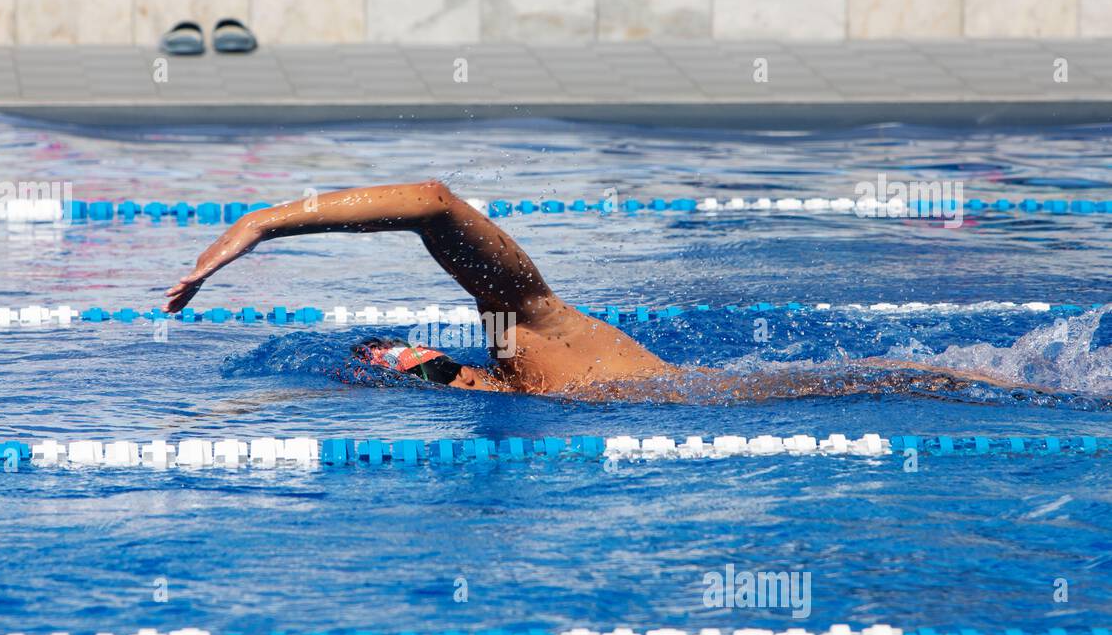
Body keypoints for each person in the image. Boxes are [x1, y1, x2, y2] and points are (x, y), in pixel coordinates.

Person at [164, 181, 1030, 401]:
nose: (425, 369)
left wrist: (264, 224)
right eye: (413, 372)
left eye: (417, 361)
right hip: (701, 413)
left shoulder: (520, 329)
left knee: (967, 385)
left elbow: (431, 203)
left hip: (742, 398)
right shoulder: (509, 388)